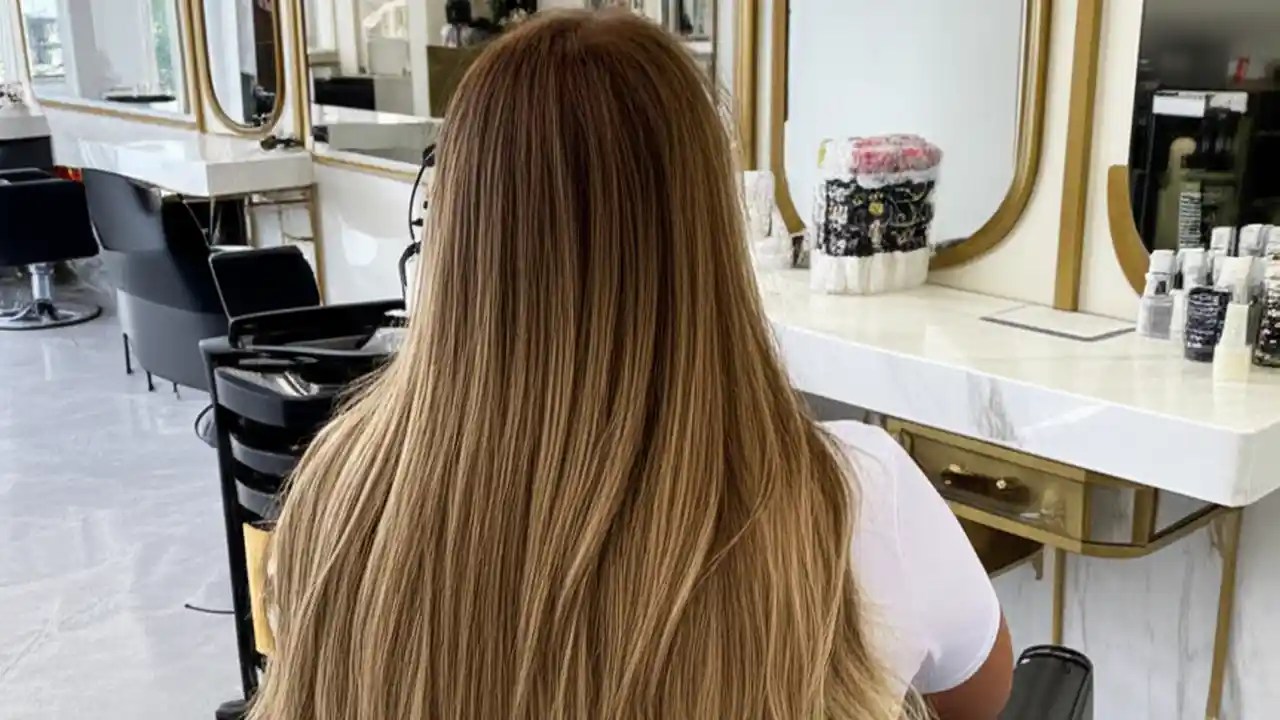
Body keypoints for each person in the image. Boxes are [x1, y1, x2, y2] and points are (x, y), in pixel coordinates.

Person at [251, 9, 1012, 720]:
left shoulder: (339, 498)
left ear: (458, 226)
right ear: (707, 236)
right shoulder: (859, 502)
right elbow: (984, 700)